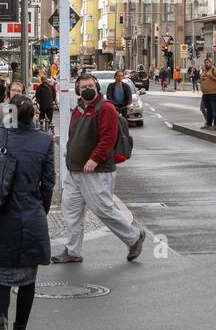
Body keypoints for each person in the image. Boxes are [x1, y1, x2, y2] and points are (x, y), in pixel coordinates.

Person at [0, 95, 55, 330]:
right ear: (34, 115)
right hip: (31, 214)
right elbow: (48, 183)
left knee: (1, 276)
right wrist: (39, 210)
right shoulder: (44, 141)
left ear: (11, 113)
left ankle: (1, 321)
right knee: (27, 278)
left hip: (1, 214)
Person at [53, 72, 146, 264]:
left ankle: (134, 237)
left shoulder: (106, 109)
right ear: (78, 90)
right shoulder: (79, 108)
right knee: (70, 210)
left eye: (90, 87)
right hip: (75, 170)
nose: (87, 90)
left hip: (96, 170)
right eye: (83, 87)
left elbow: (108, 138)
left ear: (96, 88)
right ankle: (72, 250)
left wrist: (94, 159)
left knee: (103, 209)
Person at [199, 58, 216, 129]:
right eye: (205, 63)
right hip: (205, 93)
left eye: (208, 63)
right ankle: (208, 124)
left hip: (213, 93)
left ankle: (215, 125)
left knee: (214, 109)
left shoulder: (214, 70)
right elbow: (201, 80)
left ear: (211, 63)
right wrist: (201, 79)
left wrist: (212, 77)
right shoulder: (204, 71)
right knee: (208, 109)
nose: (206, 64)